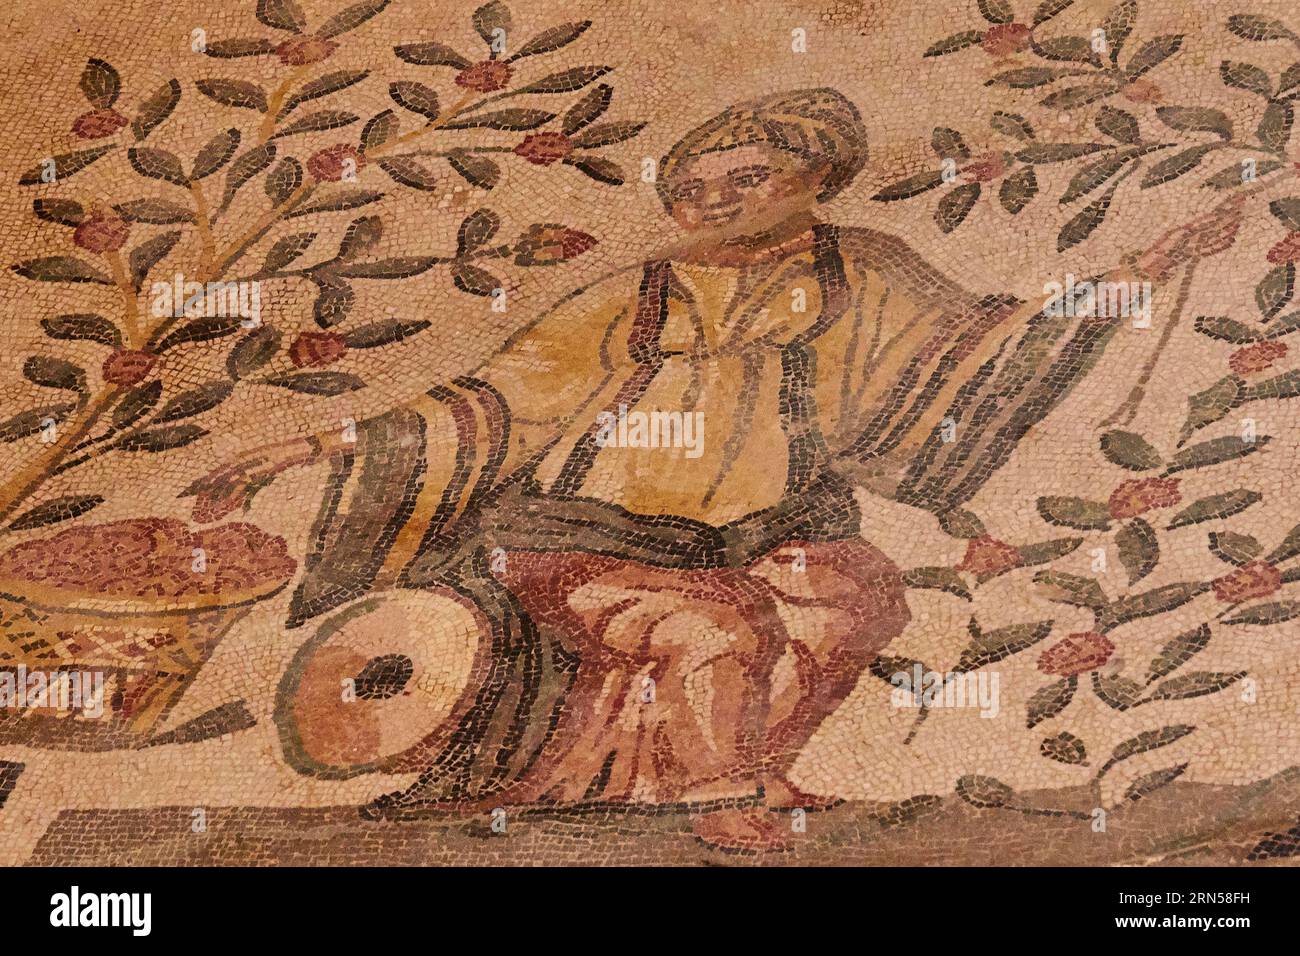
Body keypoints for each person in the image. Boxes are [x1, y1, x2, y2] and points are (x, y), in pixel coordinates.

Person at [187, 88, 1240, 851]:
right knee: (713, 628)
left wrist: (1147, 266)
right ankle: (714, 796)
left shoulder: (863, 269)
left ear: (815, 177)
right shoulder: (638, 292)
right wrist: (305, 445)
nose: (715, 202)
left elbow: (977, 346)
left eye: (747, 178)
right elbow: (492, 399)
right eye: (692, 190)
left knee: (851, 596)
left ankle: (760, 764)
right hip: (584, 533)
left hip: (764, 522)